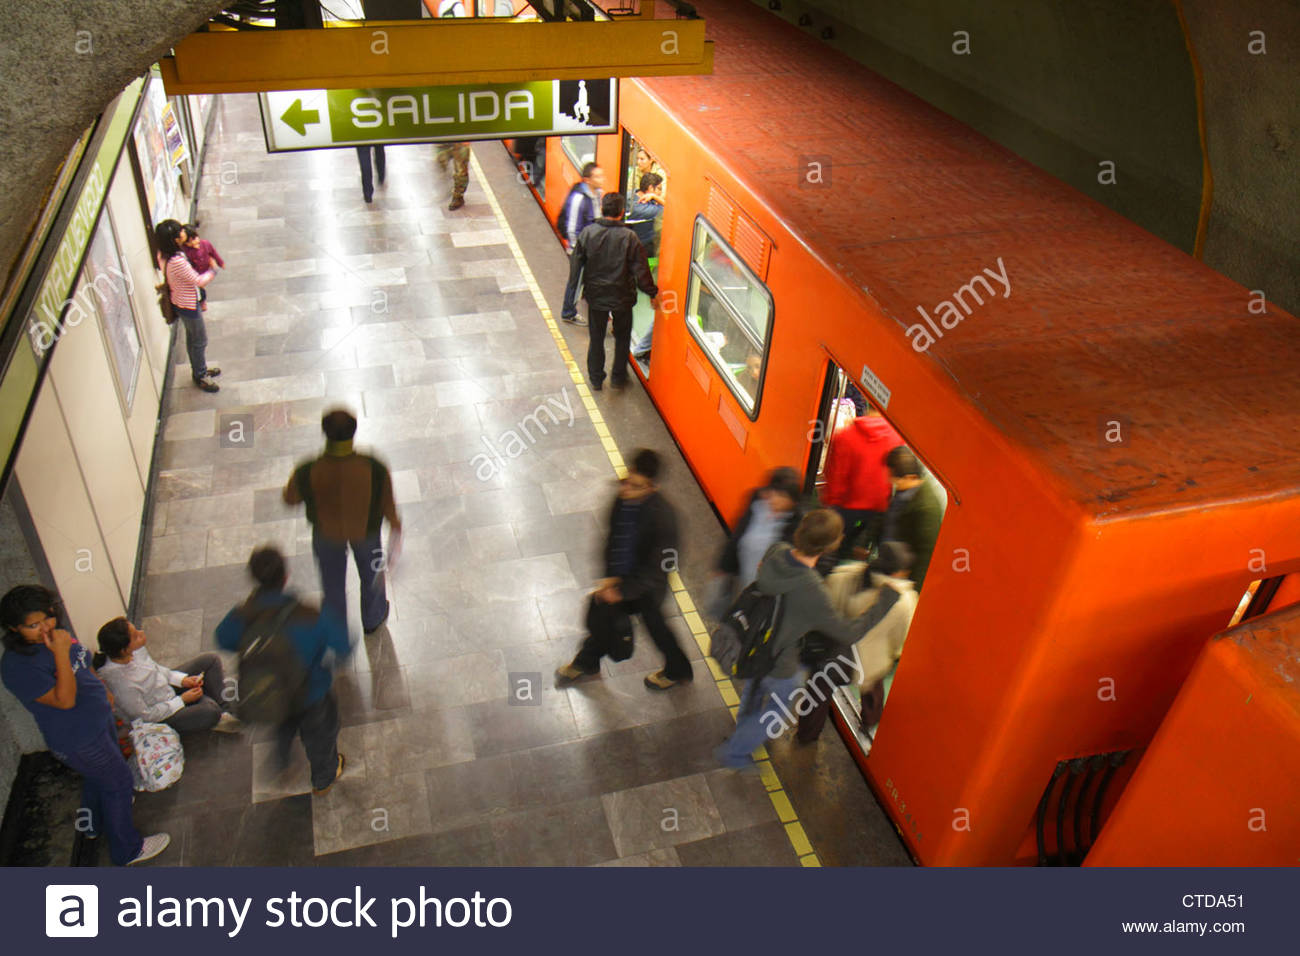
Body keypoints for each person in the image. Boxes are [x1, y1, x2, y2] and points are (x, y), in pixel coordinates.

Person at [0, 586, 169, 865]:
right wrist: (59, 652)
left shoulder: (60, 636)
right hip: (78, 738)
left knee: (98, 776)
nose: (45, 628)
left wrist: (103, 689)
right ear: (14, 629)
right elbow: (64, 700)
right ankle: (127, 850)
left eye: (47, 618)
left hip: (99, 720)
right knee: (119, 782)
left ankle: (92, 824)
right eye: (33, 625)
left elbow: (83, 661)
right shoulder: (18, 666)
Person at [712, 510, 892, 771]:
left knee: (754, 690)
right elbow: (848, 632)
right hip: (781, 661)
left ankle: (741, 730)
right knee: (776, 711)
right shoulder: (812, 589)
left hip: (754, 645)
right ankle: (736, 750)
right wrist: (884, 602)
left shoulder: (777, 550)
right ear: (832, 544)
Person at [556, 449, 694, 691]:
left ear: (652, 488)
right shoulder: (622, 499)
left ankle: (678, 669)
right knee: (604, 621)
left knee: (657, 629)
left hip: (647, 588)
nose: (626, 491)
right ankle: (586, 663)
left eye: (636, 486)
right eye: (627, 481)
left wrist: (623, 591)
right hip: (620, 579)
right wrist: (610, 576)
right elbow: (613, 538)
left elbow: (661, 568)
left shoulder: (665, 519)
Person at [216, 548, 351, 794]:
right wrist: (326, 664)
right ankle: (324, 778)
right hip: (311, 693)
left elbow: (222, 638)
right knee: (321, 736)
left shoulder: (243, 615)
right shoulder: (310, 615)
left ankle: (281, 764)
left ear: (254, 578)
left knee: (283, 727)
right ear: (286, 577)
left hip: (272, 692)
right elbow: (344, 646)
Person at [283, 409, 402, 635]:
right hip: (366, 533)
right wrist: (395, 524)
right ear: (354, 432)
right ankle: (373, 617)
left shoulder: (308, 469)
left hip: (326, 534)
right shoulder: (373, 466)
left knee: (332, 583)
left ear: (324, 432)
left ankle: (337, 626)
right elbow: (387, 501)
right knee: (372, 576)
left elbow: (290, 499)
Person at [795, 541, 917, 743]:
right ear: (898, 573)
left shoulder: (847, 574)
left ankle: (807, 735)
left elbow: (826, 608)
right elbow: (900, 639)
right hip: (868, 660)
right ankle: (869, 721)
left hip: (834, 652)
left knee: (819, 689)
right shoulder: (904, 600)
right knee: (873, 680)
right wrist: (893, 652)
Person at [561, 193, 659, 391]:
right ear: (622, 212)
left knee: (596, 338)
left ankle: (596, 378)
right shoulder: (630, 237)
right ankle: (618, 376)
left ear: (603, 210)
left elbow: (576, 268)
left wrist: (574, 295)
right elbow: (641, 270)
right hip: (623, 297)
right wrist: (652, 292)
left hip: (596, 297)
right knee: (623, 338)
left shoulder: (588, 233)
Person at [93, 618, 238, 734]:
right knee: (210, 710)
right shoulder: (122, 685)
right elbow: (145, 716)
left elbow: (156, 669)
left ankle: (225, 710)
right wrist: (181, 700)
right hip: (160, 714)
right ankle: (215, 710)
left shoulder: (134, 651)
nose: (142, 632)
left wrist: (182, 680)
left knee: (210, 660)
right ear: (124, 650)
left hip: (165, 689)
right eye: (136, 636)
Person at [707, 466, 804, 620]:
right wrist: (724, 566)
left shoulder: (795, 525)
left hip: (763, 592)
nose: (775, 499)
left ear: (792, 500)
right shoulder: (757, 501)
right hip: (740, 578)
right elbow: (738, 534)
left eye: (782, 496)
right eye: (774, 492)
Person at [821, 403, 903, 557]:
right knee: (871, 550)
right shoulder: (897, 437)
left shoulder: (844, 437)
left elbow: (836, 476)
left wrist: (831, 503)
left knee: (835, 550)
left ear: (866, 407)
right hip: (880, 506)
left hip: (847, 506)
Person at [156, 220, 220, 393]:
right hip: (187, 304)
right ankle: (200, 375)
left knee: (194, 339)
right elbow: (198, 281)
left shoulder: (166, 255)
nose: (184, 232)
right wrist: (213, 270)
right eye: (180, 231)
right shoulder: (177, 261)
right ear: (175, 239)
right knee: (199, 340)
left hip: (182, 301)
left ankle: (199, 369)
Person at [881, 446, 944, 591]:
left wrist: (914, 589)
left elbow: (926, 554)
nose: (892, 482)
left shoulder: (927, 508)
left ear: (911, 477)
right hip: (890, 563)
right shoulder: (905, 490)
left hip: (904, 578)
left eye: (896, 480)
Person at [558, 162, 604, 326]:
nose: (602, 179)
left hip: (590, 247)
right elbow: (572, 229)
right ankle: (568, 312)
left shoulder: (597, 194)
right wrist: (578, 249)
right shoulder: (579, 199)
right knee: (576, 281)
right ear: (588, 180)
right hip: (579, 249)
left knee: (582, 279)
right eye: (598, 176)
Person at [181, 223, 223, 312]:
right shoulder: (186, 251)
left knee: (201, 288)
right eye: (189, 242)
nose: (193, 243)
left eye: (194, 239)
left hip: (206, 270)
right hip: (196, 274)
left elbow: (213, 252)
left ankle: (202, 301)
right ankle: (202, 301)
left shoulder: (205, 244)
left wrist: (220, 262)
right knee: (200, 290)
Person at [625, 172, 664, 258]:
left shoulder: (631, 194)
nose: (660, 193)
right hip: (641, 247)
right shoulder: (645, 209)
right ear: (650, 188)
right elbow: (669, 210)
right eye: (659, 189)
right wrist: (655, 197)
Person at [436, 142, 471, 210]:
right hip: (443, 138)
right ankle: (448, 184)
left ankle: (458, 196)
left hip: (461, 140)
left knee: (461, 170)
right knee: (440, 160)